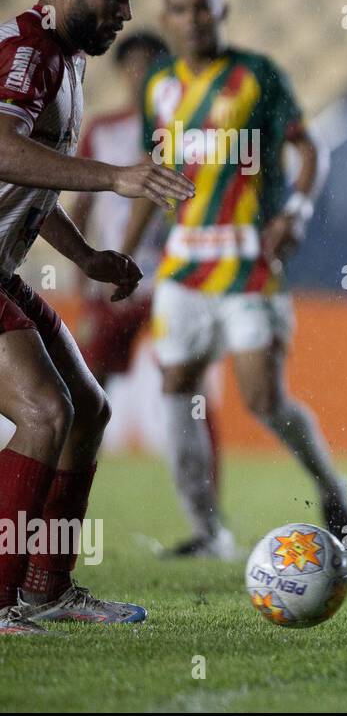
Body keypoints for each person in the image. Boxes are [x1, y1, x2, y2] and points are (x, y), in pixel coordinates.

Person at [0, 0, 196, 635]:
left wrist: (83, 256)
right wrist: (114, 178)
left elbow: (25, 179)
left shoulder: (64, 59)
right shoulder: (26, 51)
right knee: (45, 414)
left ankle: (47, 587)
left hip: (2, 266)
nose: (125, 13)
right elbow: (3, 151)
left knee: (87, 411)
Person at [118, 0, 347, 559]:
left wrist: (296, 212)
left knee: (262, 400)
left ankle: (332, 487)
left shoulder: (257, 76)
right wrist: (122, 253)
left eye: (204, 8)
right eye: (180, 9)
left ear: (222, 13)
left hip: (250, 262)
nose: (193, 18)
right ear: (166, 18)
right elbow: (154, 170)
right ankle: (207, 530)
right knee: (176, 386)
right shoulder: (159, 85)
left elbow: (308, 148)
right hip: (183, 268)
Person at [68, 32, 225, 490]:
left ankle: (209, 514)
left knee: (189, 387)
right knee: (89, 388)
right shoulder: (103, 129)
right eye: (133, 67)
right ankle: (65, 489)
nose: (142, 75)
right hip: (116, 278)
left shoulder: (190, 130)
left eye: (151, 66)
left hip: (175, 278)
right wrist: (84, 270)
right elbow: (82, 203)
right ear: (121, 72)